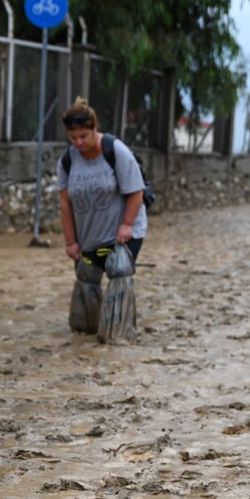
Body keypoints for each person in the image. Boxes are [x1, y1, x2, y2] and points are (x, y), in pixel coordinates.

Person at [57, 97, 147, 337]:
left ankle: (118, 332)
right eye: (73, 137)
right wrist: (70, 242)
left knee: (118, 269)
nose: (78, 142)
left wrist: (127, 225)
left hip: (122, 233)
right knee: (86, 275)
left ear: (94, 128)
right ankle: (87, 327)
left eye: (83, 136)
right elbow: (65, 205)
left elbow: (136, 191)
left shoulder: (115, 151)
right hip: (90, 236)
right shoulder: (67, 160)